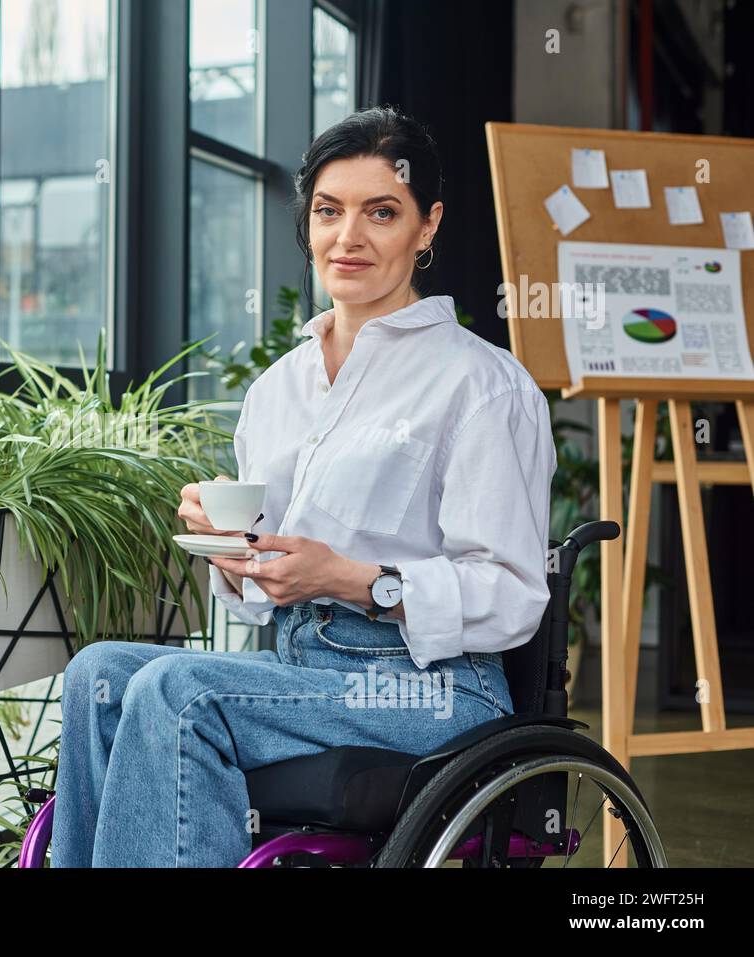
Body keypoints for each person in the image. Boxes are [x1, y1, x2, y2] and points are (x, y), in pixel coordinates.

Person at [50, 105, 556, 868]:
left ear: (428, 226)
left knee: (177, 692)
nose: (348, 237)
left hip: (430, 690)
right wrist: (234, 551)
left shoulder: (482, 385)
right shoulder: (278, 389)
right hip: (302, 667)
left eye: (381, 212)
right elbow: (265, 585)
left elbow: (513, 592)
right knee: (98, 678)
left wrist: (358, 581)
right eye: (328, 211)